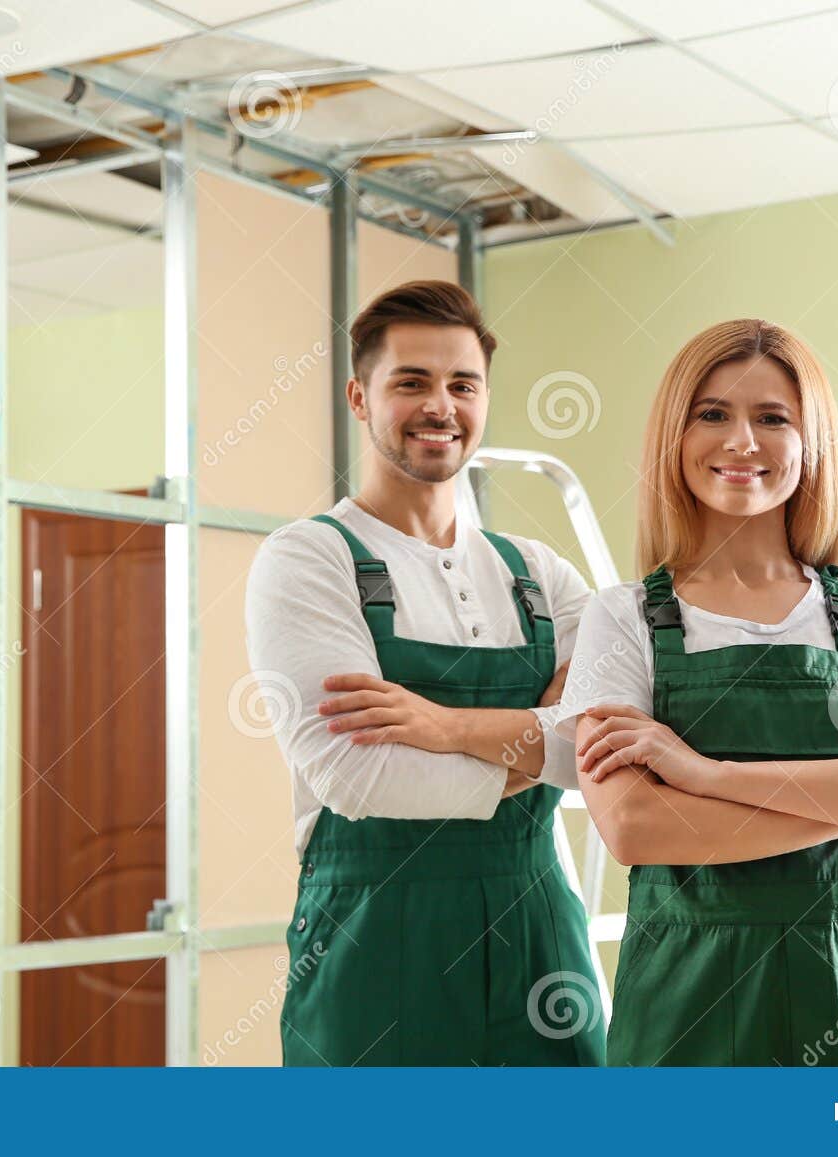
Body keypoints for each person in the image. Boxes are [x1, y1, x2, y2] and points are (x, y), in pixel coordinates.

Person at [561, 318, 838, 1066]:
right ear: (673, 436)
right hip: (693, 1005)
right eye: (712, 413)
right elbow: (636, 827)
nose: (742, 441)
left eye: (773, 418)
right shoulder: (619, 619)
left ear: (811, 440)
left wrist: (706, 776)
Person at [244, 280, 605, 1066]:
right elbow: (360, 776)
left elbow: (605, 745)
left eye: (461, 384)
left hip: (537, 928)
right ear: (359, 396)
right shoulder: (308, 558)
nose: (440, 405)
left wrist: (444, 729)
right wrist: (538, 741)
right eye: (411, 381)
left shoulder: (540, 573)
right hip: (377, 936)